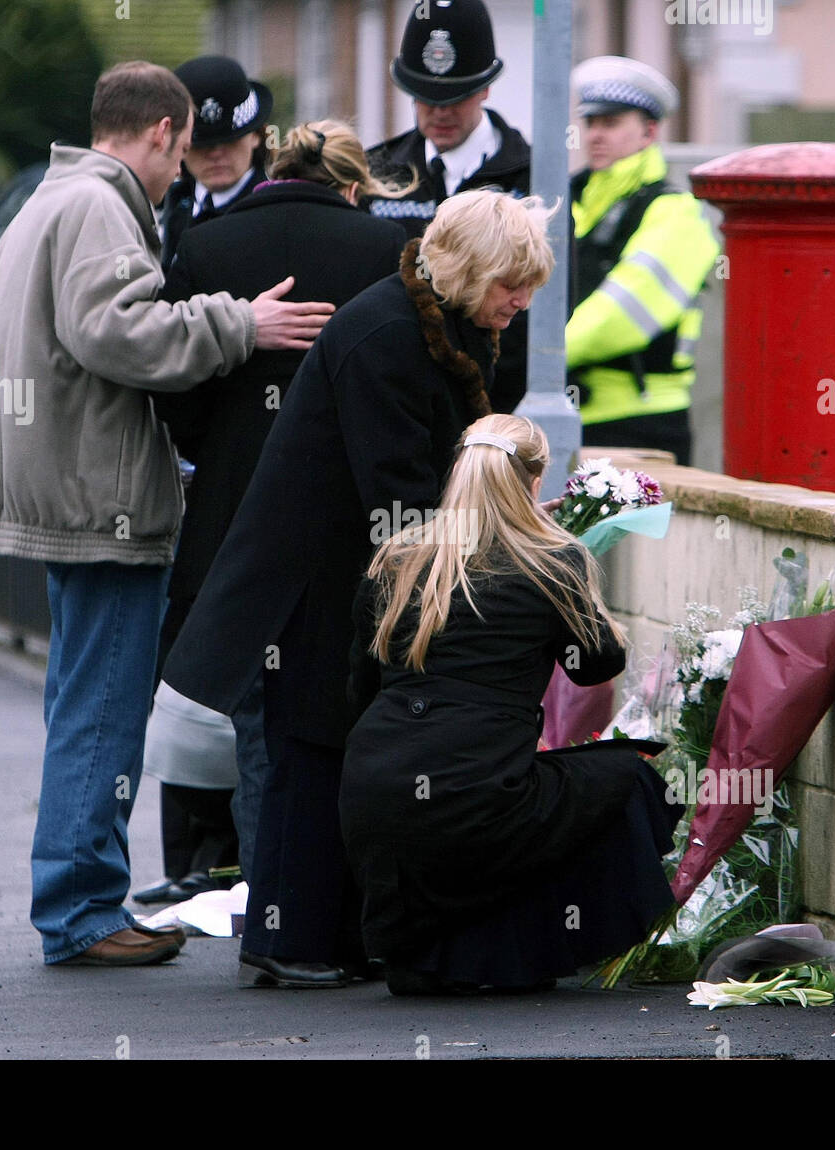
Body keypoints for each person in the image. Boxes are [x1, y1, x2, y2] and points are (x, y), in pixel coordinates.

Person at [0, 61, 334, 967]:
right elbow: (117, 333)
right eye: (184, 151)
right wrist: (239, 325)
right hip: (102, 505)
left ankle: (79, 898)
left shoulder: (52, 198)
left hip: (65, 488)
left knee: (82, 700)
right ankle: (84, 914)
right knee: (103, 709)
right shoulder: (99, 206)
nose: (181, 177)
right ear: (163, 131)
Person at [158, 190, 553, 987]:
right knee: (309, 752)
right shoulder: (387, 334)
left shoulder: (429, 321)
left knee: (331, 748)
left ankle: (323, 935)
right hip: (311, 581)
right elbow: (398, 488)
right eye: (513, 284)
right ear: (468, 271)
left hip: (336, 570)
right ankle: (287, 940)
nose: (522, 302)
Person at [134, 121, 410, 905]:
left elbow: (173, 388)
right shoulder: (382, 253)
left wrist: (222, 446)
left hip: (235, 520)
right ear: (353, 188)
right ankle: (342, 906)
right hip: (354, 527)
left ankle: (270, 899)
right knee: (347, 720)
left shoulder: (210, 244)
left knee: (259, 728)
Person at [340, 414, 681, 994]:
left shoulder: (397, 557)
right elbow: (595, 664)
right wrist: (579, 581)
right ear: (533, 480)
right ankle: (525, 952)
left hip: (375, 787)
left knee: (509, 794)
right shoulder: (552, 564)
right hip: (482, 792)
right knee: (630, 777)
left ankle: (432, 958)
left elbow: (359, 686)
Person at [366, 0, 531, 414]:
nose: (439, 112)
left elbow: (544, 311)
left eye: (455, 97)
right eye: (425, 97)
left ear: (486, 88)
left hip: (498, 406)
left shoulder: (532, 179)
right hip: (396, 399)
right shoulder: (376, 174)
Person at [565, 56, 721, 465]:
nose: (596, 135)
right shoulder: (568, 199)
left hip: (640, 421)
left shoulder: (676, 212)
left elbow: (620, 314)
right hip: (564, 414)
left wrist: (534, 361)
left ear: (649, 131)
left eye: (611, 123)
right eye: (591, 122)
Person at [159, 55, 272, 272]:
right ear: (180, 144)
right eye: (201, 144)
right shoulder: (168, 206)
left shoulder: (274, 209)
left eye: (230, 140)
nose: (216, 154)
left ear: (256, 135)